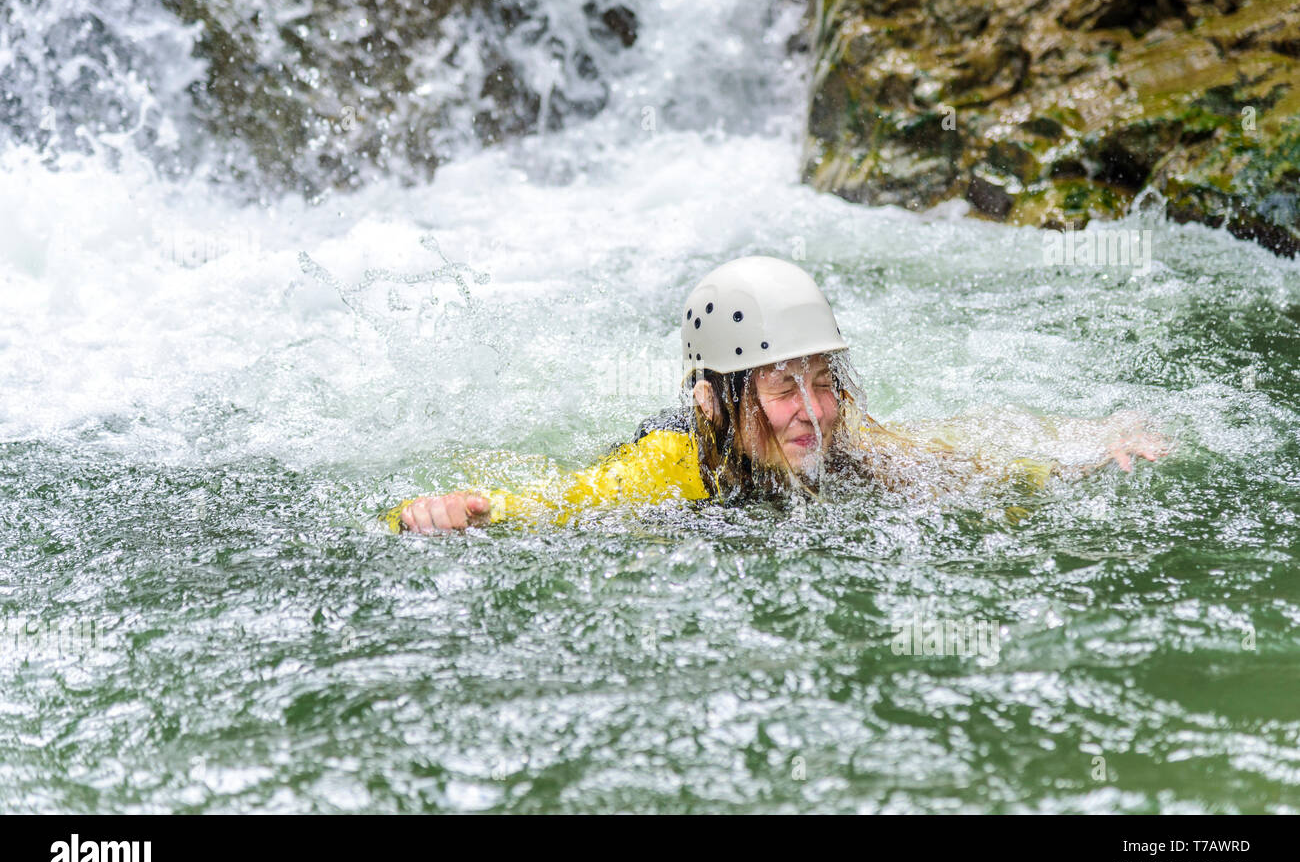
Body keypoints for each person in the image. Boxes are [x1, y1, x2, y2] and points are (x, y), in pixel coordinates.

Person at [386, 257, 1169, 533]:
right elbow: (558, 505)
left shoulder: (840, 435)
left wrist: (1087, 449)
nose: (815, 411)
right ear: (716, 402)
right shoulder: (668, 467)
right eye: (783, 387)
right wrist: (455, 510)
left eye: (823, 381)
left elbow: (961, 459)